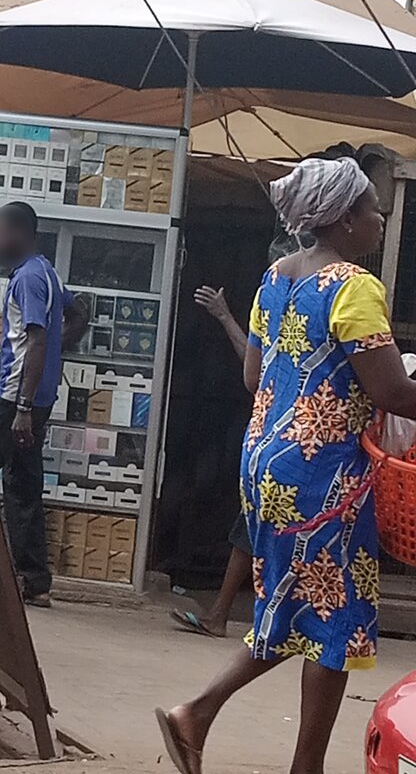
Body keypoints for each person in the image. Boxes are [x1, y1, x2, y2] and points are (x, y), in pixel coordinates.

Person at [158, 158, 416, 774]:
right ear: (344, 220)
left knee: (306, 609)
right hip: (325, 476)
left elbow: (255, 377)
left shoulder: (276, 276)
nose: (381, 218)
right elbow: (392, 392)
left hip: (267, 464)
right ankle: (205, 716)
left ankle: (255, 742)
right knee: (330, 617)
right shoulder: (354, 287)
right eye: (373, 208)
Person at [0, 202, 86, 609]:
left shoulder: (28, 277)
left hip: (15, 398)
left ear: (20, 233)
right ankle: (34, 581)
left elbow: (37, 339)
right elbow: (78, 315)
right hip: (35, 399)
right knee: (23, 488)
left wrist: (23, 407)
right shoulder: (46, 271)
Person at [170, 286, 252, 639]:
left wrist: (224, 316)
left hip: (290, 451)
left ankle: (221, 616)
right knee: (248, 532)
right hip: (278, 449)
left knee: (250, 532)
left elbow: (255, 370)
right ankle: (220, 615)